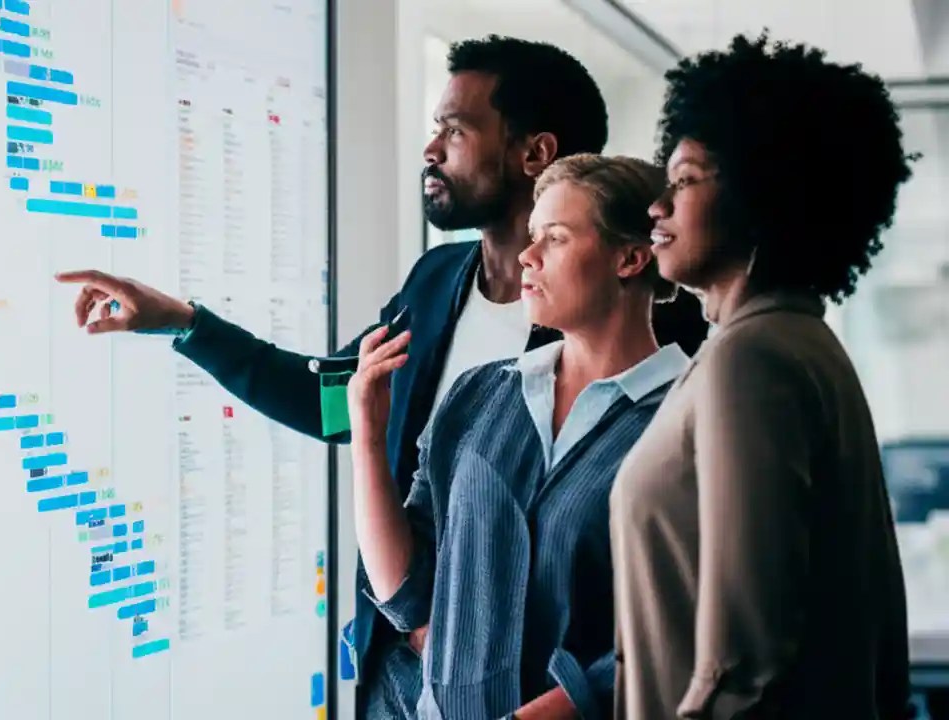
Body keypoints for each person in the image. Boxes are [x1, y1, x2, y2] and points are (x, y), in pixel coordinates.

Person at [56, 36, 708, 713]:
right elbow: (337, 401)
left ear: (534, 153)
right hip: (406, 684)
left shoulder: (668, 340)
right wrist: (187, 322)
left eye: (456, 130)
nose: (432, 150)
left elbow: (680, 604)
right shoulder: (436, 286)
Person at [610, 33, 914, 720]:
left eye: (685, 181)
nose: (657, 207)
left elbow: (745, 662)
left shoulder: (752, 359)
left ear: (762, 194)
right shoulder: (799, 340)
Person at [348, 153, 690, 720]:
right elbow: (406, 593)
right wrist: (367, 434)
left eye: (554, 238)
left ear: (630, 258)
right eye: (532, 236)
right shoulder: (479, 396)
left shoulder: (686, 421)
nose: (527, 258)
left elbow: (681, 632)